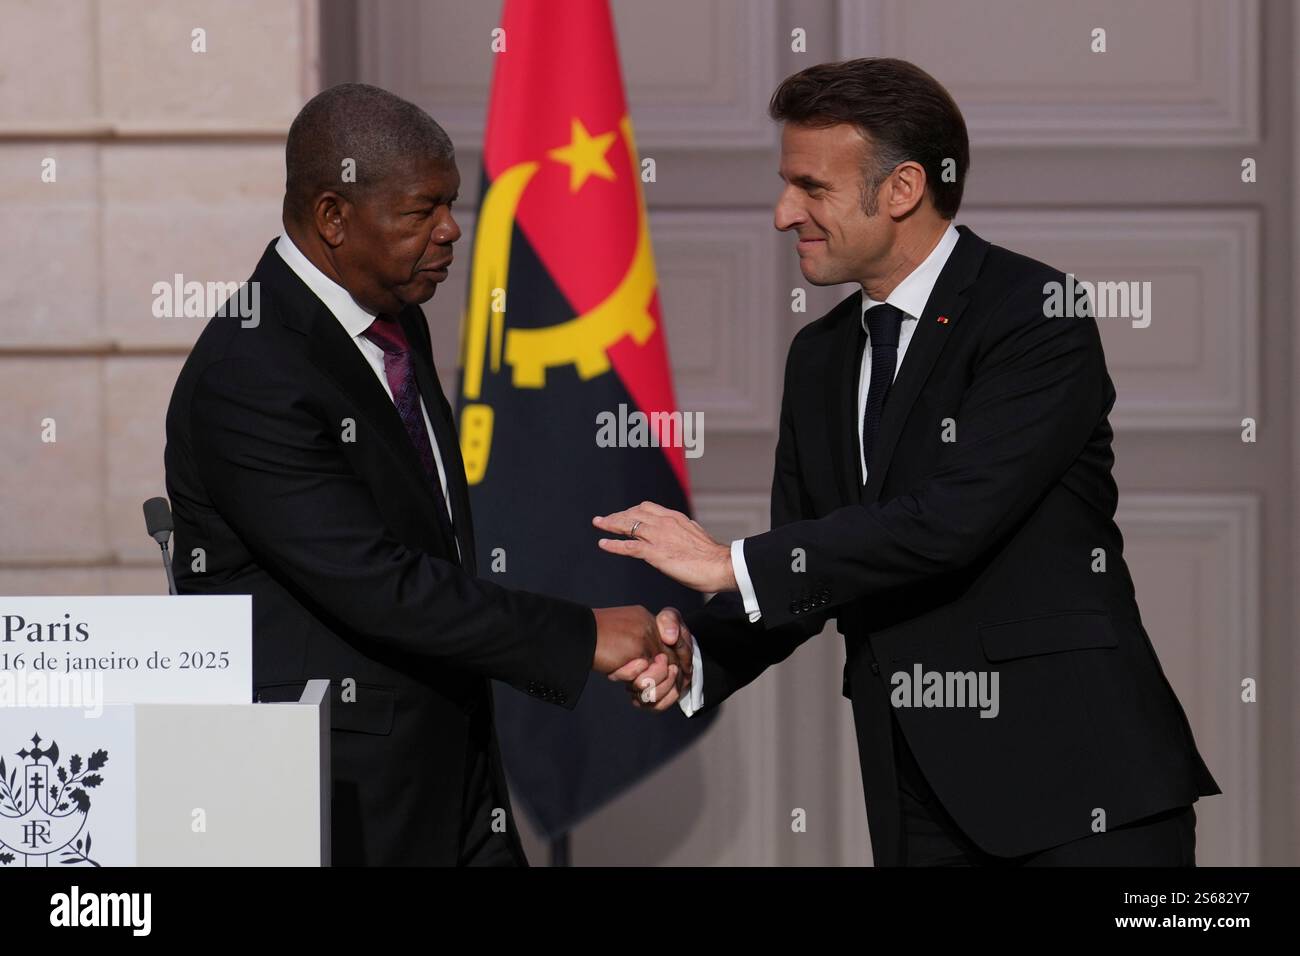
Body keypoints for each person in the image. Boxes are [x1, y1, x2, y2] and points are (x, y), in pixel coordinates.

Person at [595, 58, 1219, 866]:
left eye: (811, 187)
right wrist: (699, 654)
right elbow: (814, 553)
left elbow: (949, 521)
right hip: (911, 793)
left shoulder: (1035, 315)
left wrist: (728, 564)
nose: (785, 214)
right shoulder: (818, 355)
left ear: (901, 190)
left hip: (1077, 785)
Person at [165, 83, 690, 866]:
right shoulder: (252, 370)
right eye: (421, 212)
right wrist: (581, 634)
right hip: (338, 801)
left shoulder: (391, 316)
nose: (451, 231)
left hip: (456, 772)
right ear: (333, 218)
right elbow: (376, 582)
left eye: (449, 204)